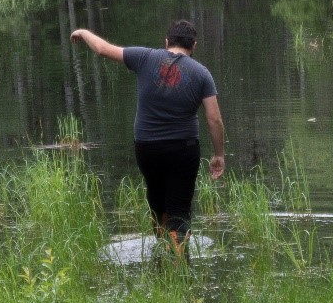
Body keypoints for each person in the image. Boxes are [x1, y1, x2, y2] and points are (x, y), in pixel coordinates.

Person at [70, 19, 225, 253]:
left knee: (156, 198)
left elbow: (102, 49)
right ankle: (177, 261)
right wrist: (219, 154)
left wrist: (83, 31)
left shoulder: (144, 57)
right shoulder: (202, 74)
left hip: (147, 147)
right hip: (183, 148)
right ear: (193, 46)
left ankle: (163, 251)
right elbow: (214, 119)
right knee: (179, 209)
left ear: (166, 43)